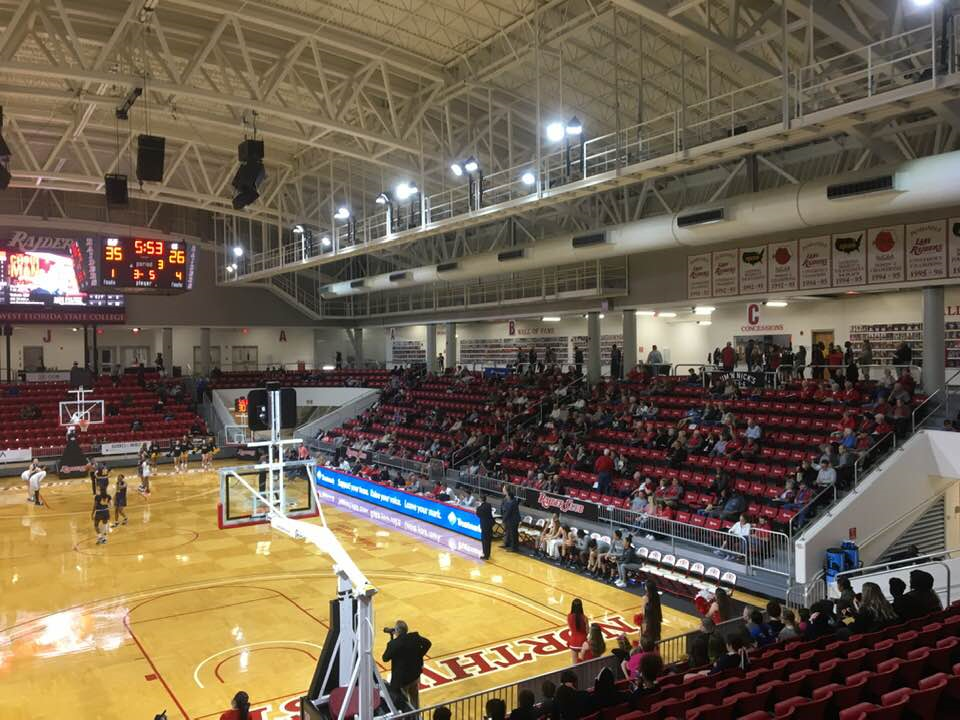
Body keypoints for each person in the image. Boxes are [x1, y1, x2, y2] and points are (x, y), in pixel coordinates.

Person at [382, 620, 432, 709]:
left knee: (404, 703)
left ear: (396, 631)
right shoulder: (414, 637)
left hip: (403, 680)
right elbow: (428, 643)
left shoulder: (394, 644)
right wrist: (419, 655)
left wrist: (392, 641)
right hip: (415, 675)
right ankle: (417, 716)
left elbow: (385, 658)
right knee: (415, 700)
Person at [566, 599, 588, 663]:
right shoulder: (584, 618)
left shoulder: (569, 616)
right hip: (583, 643)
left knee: (574, 664)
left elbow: (570, 628)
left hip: (573, 642)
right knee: (583, 663)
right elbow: (588, 631)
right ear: (581, 606)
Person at [500, 486, 520, 551]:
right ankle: (507, 544)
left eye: (503, 489)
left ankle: (514, 547)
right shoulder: (505, 499)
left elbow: (508, 512)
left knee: (513, 534)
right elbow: (502, 507)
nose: (502, 490)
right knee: (507, 532)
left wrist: (503, 519)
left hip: (513, 520)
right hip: (508, 519)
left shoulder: (512, 502)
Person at [476, 494, 494, 559]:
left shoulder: (479, 508)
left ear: (481, 499)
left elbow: (478, 515)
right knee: (488, 540)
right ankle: (488, 554)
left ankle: (485, 555)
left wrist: (478, 507)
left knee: (484, 540)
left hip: (484, 525)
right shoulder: (489, 505)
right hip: (490, 524)